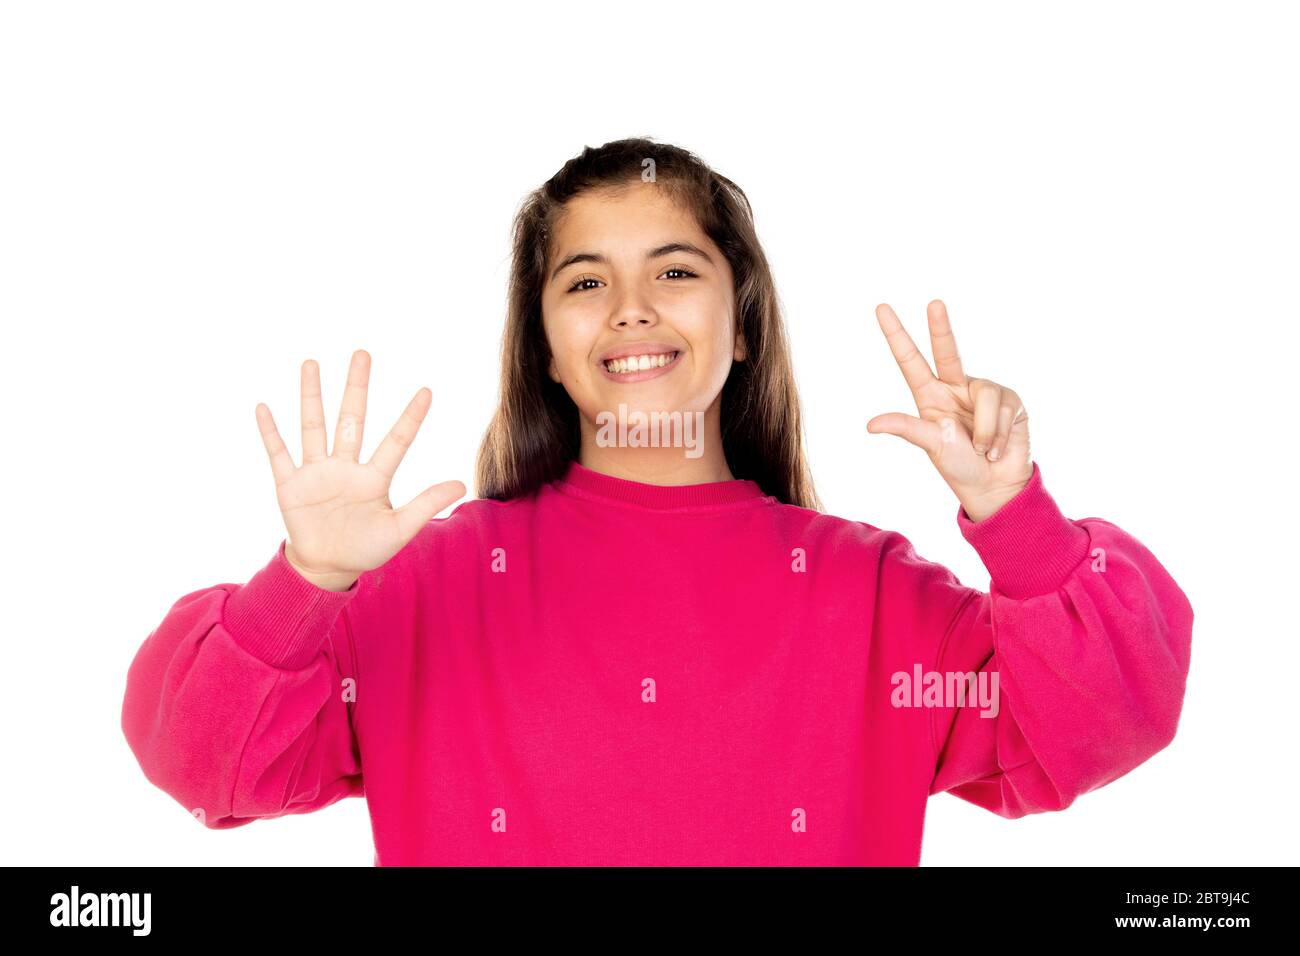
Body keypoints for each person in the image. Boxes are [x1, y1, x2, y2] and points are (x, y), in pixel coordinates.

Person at [120, 138, 1193, 865]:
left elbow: (1100, 724)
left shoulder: (869, 594)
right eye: (584, 282)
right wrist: (304, 582)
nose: (629, 309)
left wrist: (1018, 519)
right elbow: (200, 761)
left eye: (674, 270)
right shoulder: (422, 587)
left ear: (741, 324)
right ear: (544, 343)